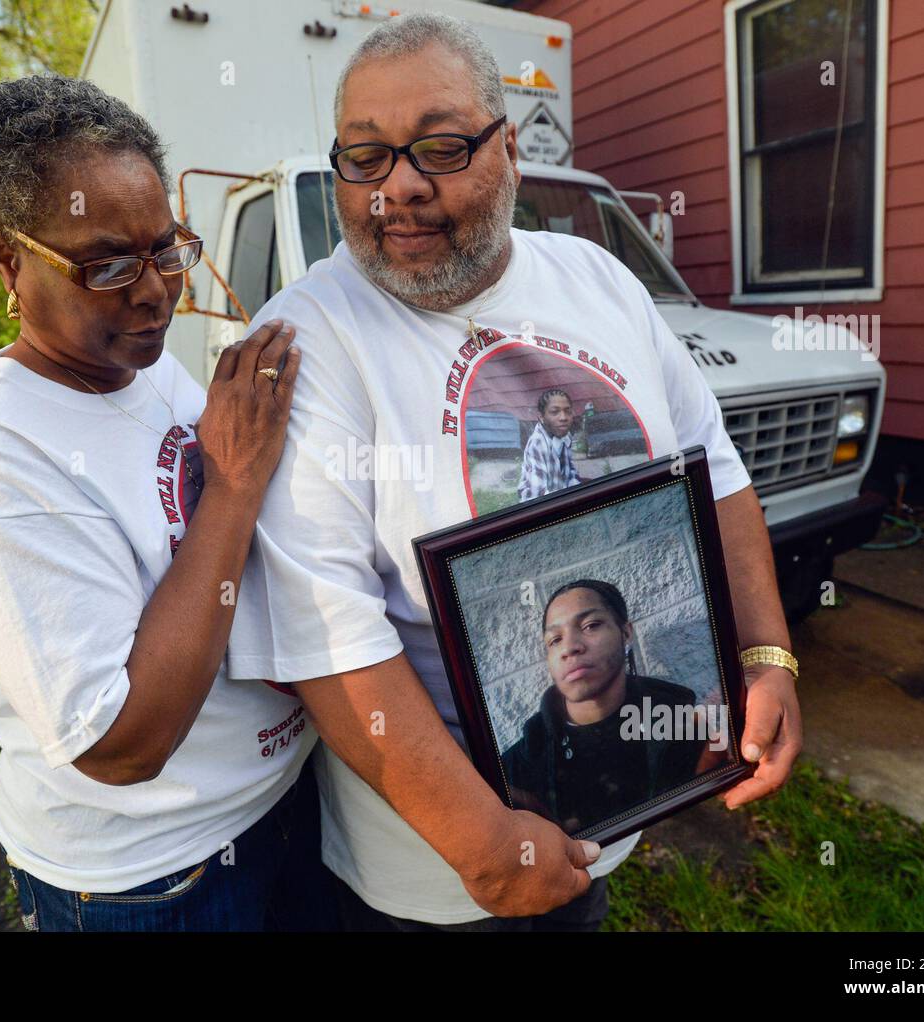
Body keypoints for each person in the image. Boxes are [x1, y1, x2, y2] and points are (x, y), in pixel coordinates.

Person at [225, 12, 802, 932]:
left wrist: (765, 655)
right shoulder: (308, 341)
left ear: (510, 151)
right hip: (428, 881)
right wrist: (480, 847)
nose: (398, 188)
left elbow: (715, 472)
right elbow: (322, 636)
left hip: (607, 814)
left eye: (442, 147)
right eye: (364, 158)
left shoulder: (600, 279)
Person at [0, 74, 326, 931]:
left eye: (167, 249)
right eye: (104, 264)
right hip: (156, 879)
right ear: (4, 256)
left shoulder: (138, 365)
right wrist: (236, 484)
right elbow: (120, 743)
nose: (153, 293)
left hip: (284, 807)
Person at [501, 580, 707, 839]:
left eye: (590, 625)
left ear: (626, 632)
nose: (570, 647)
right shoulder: (515, 771)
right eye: (555, 640)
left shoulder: (682, 723)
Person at [518, 387, 581, 500]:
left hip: (562, 494)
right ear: (542, 418)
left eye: (568, 411)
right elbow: (537, 495)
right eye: (554, 412)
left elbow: (570, 472)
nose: (563, 418)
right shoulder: (537, 444)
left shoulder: (565, 436)